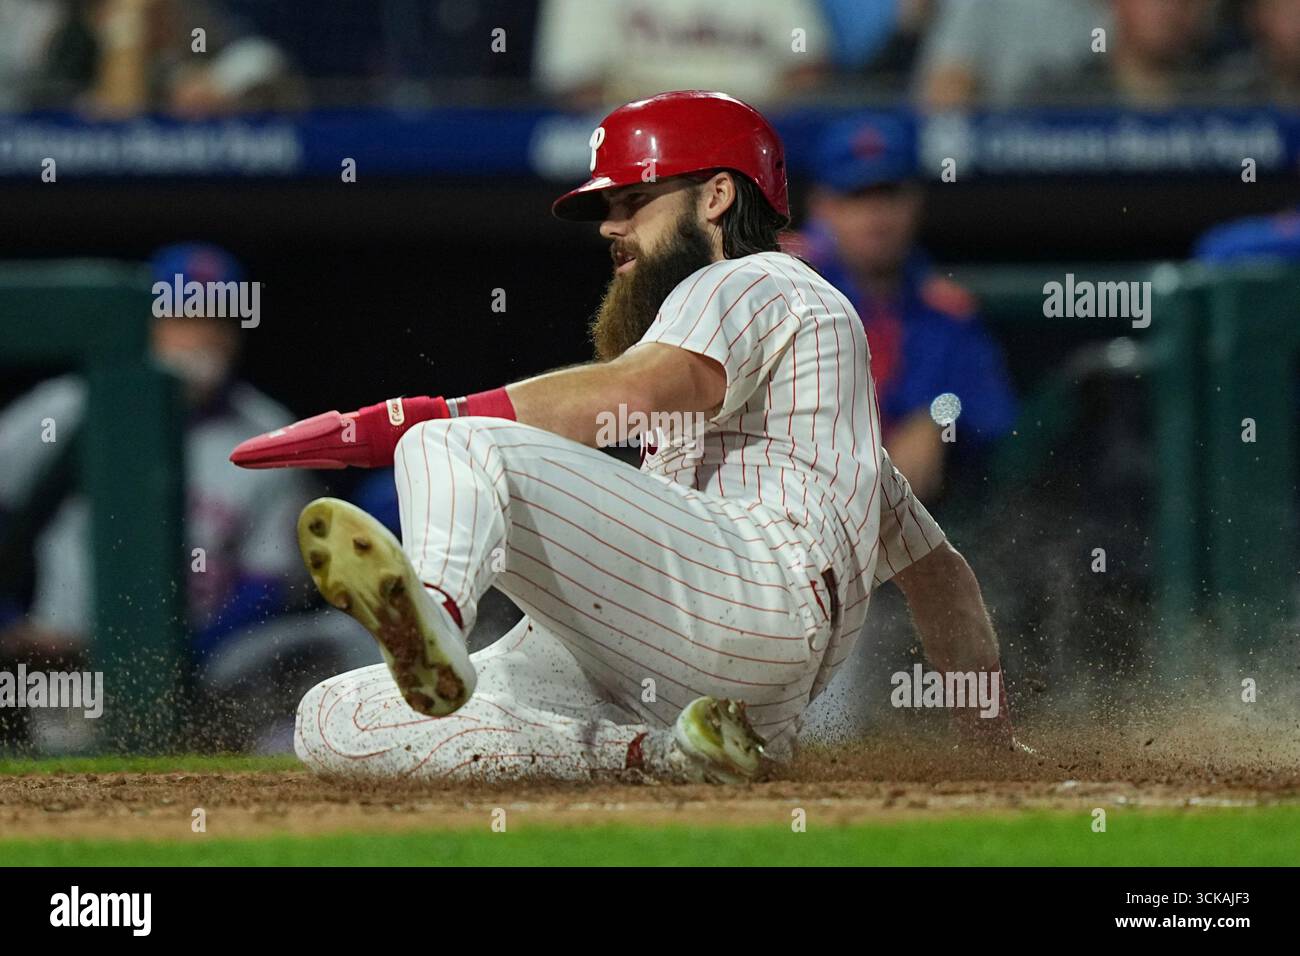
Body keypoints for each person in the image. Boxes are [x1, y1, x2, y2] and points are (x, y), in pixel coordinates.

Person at [232, 91, 1019, 783]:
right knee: (335, 719)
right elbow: (942, 580)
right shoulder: (827, 437)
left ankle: (434, 610)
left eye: (634, 198)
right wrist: (990, 746)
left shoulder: (755, 278)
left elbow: (638, 389)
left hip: (746, 604)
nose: (612, 226)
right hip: (702, 672)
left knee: (448, 441)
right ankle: (662, 756)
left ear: (716, 197)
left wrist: (401, 421)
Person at [0, 243, 320, 751]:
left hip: (212, 673)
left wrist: (177, 660)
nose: (199, 335)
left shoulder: (272, 435)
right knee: (67, 777)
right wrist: (11, 625)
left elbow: (269, 585)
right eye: (181, 315)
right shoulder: (60, 409)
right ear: (145, 321)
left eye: (217, 319)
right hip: (63, 661)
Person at [791, 114, 1015, 502]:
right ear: (822, 207)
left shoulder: (945, 312)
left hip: (910, 530)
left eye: (888, 195)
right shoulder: (785, 292)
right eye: (856, 197)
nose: (876, 216)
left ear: (914, 202)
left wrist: (939, 416)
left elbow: (994, 415)